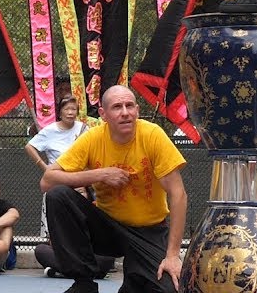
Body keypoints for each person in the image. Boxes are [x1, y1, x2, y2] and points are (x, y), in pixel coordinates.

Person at [41, 84, 187, 293]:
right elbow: (46, 181)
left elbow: (178, 194)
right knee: (58, 195)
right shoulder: (93, 138)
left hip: (149, 231)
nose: (125, 113)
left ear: (137, 110)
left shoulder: (153, 135)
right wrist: (99, 174)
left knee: (170, 289)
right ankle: (84, 283)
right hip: (108, 227)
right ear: (104, 114)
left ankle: (134, 282)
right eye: (117, 107)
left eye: (130, 106)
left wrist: (172, 255)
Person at [26, 95, 87, 237]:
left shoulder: (84, 129)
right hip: (56, 181)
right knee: (55, 228)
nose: (70, 112)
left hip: (78, 181)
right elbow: (29, 147)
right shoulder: (50, 131)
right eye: (67, 109)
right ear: (60, 112)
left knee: (78, 227)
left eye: (73, 109)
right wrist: (43, 166)